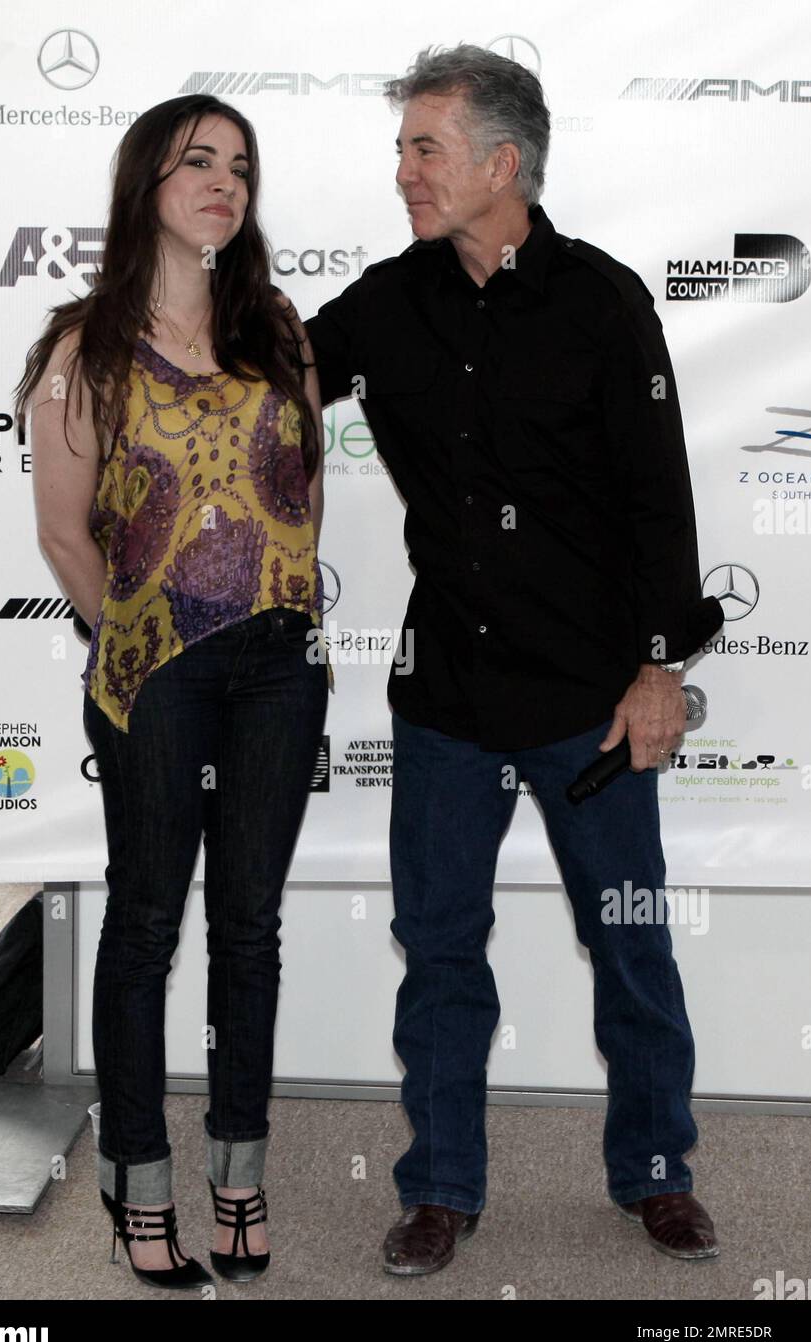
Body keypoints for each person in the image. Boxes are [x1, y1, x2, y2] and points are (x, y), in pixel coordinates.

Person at [303, 43, 725, 1277]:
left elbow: (661, 500)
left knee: (631, 940)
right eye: (399, 149)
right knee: (439, 953)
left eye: (423, 148)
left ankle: (656, 1172)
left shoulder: (604, 301)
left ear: (502, 162)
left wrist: (658, 670)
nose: (403, 174)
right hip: (445, 700)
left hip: (588, 695)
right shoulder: (388, 301)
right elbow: (273, 383)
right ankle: (439, 1189)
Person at [15, 94, 330, 1289]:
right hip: (156, 673)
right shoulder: (79, 348)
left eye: (240, 167)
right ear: (146, 182)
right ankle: (138, 1188)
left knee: (250, 926)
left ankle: (238, 1175)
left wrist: (273, 612)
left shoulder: (279, 331)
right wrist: (143, 649)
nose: (224, 184)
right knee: (146, 926)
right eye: (198, 162)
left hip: (278, 666)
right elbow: (60, 533)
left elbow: (301, 500)